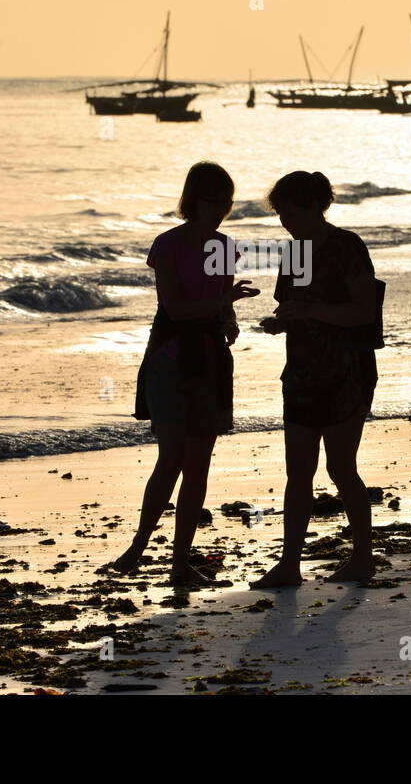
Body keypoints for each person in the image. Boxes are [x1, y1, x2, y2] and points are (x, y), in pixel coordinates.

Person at [112, 162, 259, 583]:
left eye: (226, 201)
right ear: (193, 199)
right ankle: (137, 549)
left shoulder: (226, 247)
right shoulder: (168, 245)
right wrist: (222, 303)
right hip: (171, 356)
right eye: (214, 200)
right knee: (171, 456)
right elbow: (175, 308)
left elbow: (220, 304)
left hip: (210, 356)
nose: (221, 209)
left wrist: (229, 320)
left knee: (198, 465)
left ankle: (180, 565)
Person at [253, 171, 383, 587]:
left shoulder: (346, 246)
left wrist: (308, 313)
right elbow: (296, 308)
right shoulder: (295, 253)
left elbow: (363, 312)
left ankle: (363, 557)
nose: (283, 222)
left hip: (347, 371)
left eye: (288, 212)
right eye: (279, 214)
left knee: (341, 468)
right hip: (303, 372)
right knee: (298, 471)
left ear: (313, 207)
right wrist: (281, 324)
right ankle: (290, 564)